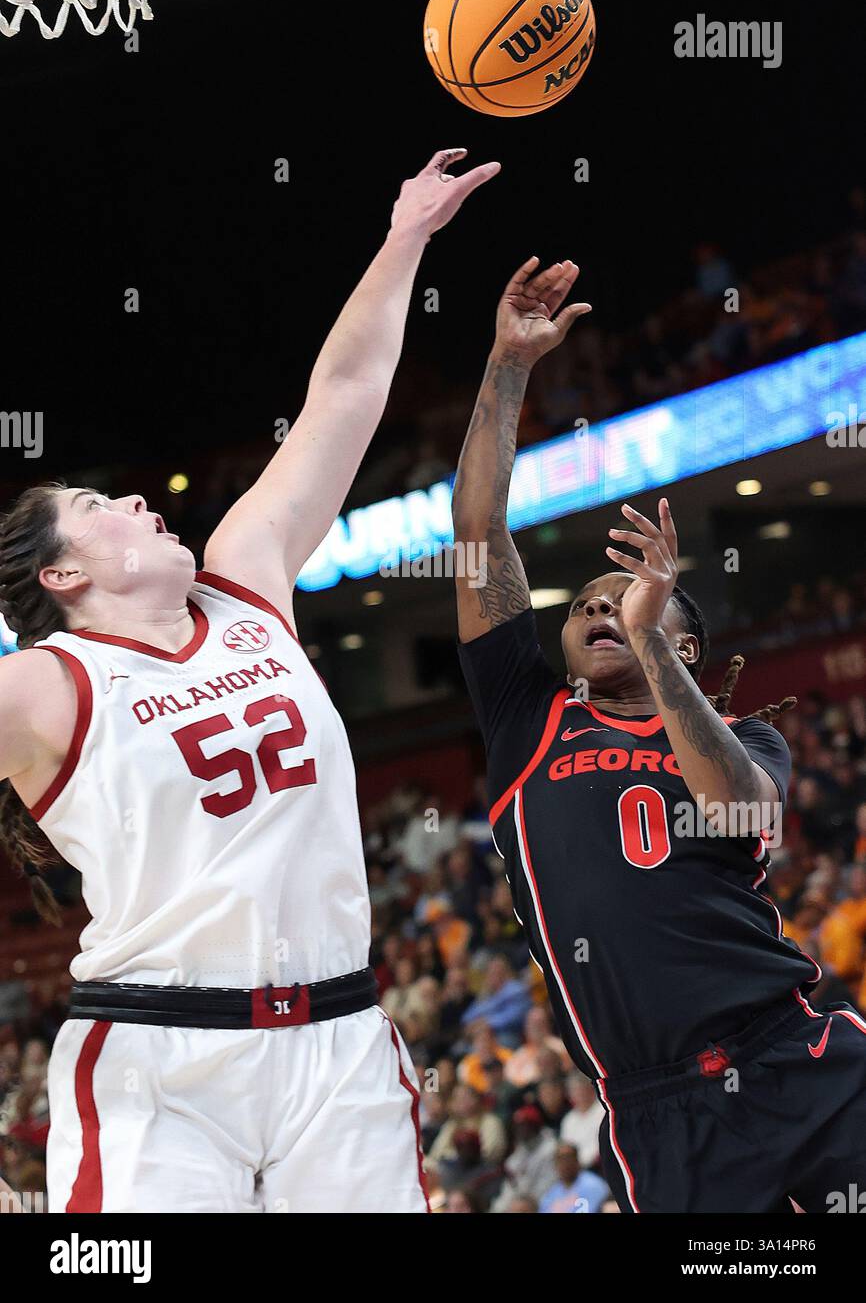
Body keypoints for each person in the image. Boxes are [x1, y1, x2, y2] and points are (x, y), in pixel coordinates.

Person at [0, 146, 500, 1215]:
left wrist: (403, 236)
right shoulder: (46, 685)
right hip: (160, 1060)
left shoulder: (246, 583)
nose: (136, 503)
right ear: (62, 573)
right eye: (99, 505)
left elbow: (346, 392)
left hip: (340, 1042)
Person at [451, 255, 866, 1213]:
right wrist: (510, 364)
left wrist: (650, 640)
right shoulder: (529, 719)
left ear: (684, 638)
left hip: (796, 1048)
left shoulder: (744, 738)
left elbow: (738, 816)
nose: (602, 608)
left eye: (627, 603)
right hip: (657, 1105)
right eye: (585, 604)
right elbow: (476, 525)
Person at [537, 1143, 609, 1214]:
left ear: (577, 1161)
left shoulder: (593, 1185)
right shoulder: (552, 1192)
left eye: (568, 1158)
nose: (564, 1164)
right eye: (560, 1160)